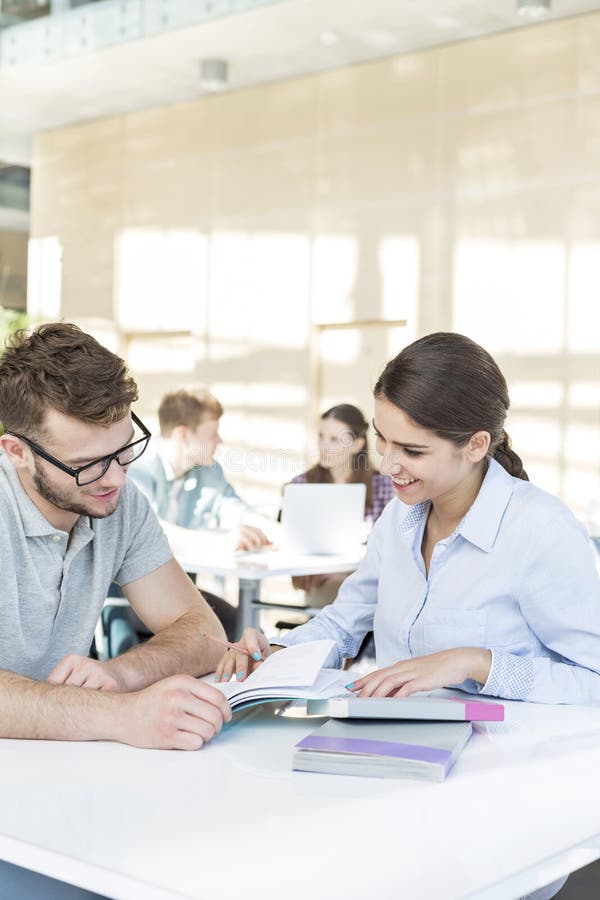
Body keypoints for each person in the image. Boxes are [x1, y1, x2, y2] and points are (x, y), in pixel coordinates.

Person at [217, 331, 600, 707]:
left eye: (412, 451)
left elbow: (593, 679)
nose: (387, 465)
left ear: (476, 445)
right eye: (382, 439)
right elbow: (343, 621)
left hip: (506, 760)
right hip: (398, 746)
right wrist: (281, 650)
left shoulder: (540, 530)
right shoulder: (399, 516)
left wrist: (477, 663)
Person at [0, 323, 231, 752]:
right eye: (88, 463)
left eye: (124, 449)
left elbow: (204, 633)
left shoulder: (119, 501)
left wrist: (121, 674)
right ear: (16, 452)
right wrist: (120, 713)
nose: (118, 478)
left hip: (52, 760)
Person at [128, 386, 272, 638]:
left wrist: (285, 532)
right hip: (131, 596)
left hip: (181, 594)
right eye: (213, 434)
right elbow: (148, 535)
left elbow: (238, 511)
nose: (220, 441)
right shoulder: (136, 468)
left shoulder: (207, 470)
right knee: (220, 635)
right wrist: (221, 542)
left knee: (250, 631)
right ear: (183, 434)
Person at [288, 403, 394, 607]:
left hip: (370, 587)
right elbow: (292, 547)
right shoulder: (300, 485)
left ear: (357, 444)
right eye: (321, 436)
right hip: (320, 591)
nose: (323, 446)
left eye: (335, 439)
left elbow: (389, 550)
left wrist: (342, 572)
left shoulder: (383, 486)